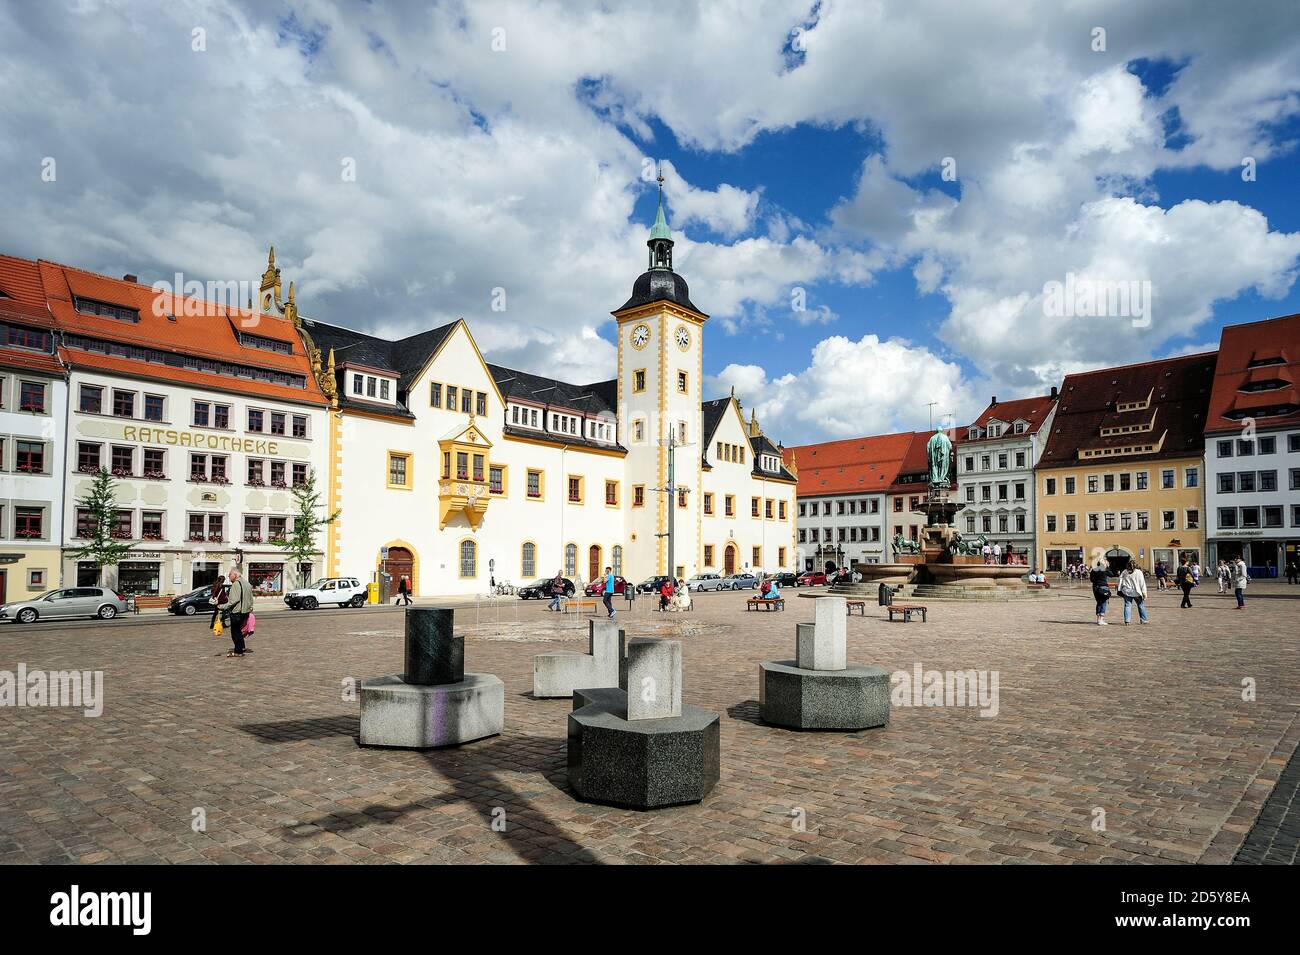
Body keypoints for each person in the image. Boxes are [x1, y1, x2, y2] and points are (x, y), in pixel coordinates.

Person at [218, 568, 254, 658]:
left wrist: (222, 606)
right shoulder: (247, 583)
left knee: (235, 632)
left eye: (230, 574)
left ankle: (238, 651)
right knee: (239, 630)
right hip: (244, 611)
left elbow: (233, 600)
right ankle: (241, 647)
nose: (229, 577)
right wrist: (250, 608)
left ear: (235, 574)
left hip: (237, 611)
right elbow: (251, 599)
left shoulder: (236, 584)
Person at [1117, 558, 1148, 624]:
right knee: (1140, 605)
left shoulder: (1124, 572)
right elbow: (1142, 583)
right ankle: (1144, 619)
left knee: (1127, 605)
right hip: (1136, 592)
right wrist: (1144, 592)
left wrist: (1119, 589)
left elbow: (1120, 581)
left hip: (1127, 591)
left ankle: (1127, 621)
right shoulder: (1139, 572)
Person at [1089, 559, 1111, 626]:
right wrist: (1107, 567)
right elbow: (1111, 574)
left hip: (1095, 587)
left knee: (1098, 602)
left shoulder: (1094, 569)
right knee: (1104, 602)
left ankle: (1098, 619)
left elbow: (1091, 579)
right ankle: (1101, 619)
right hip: (1103, 587)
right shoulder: (1104, 569)